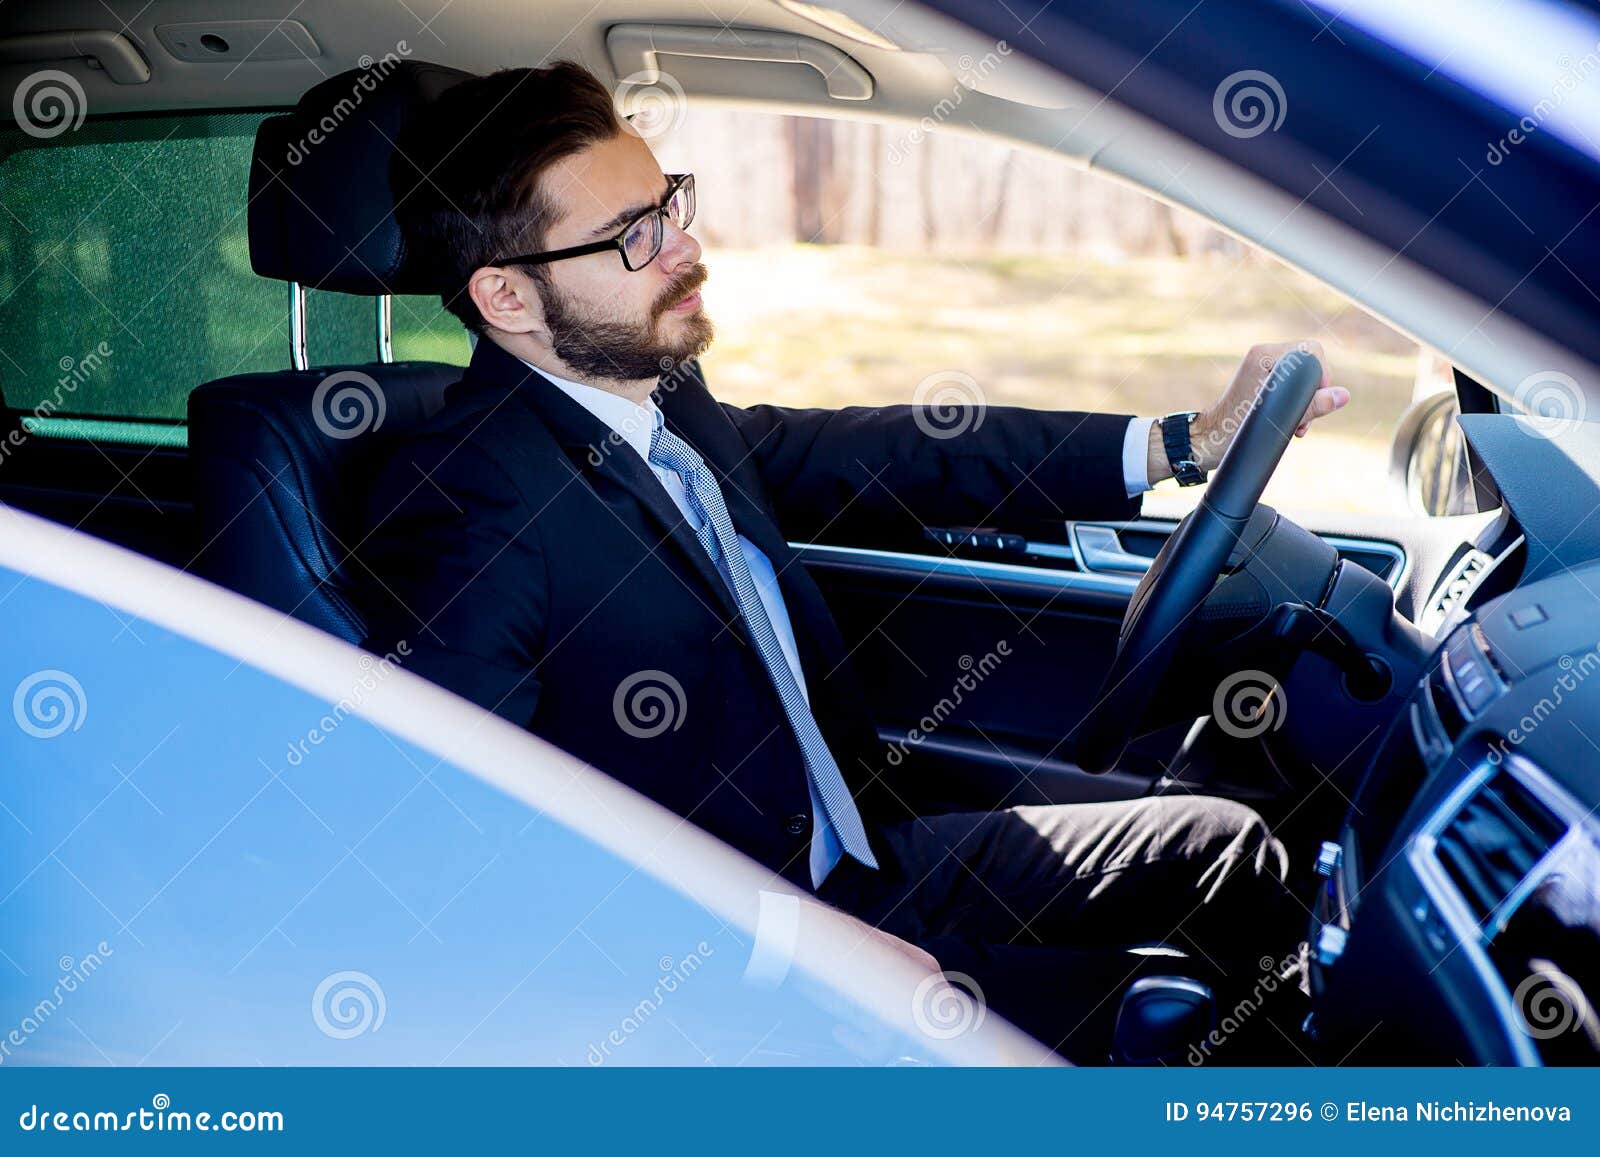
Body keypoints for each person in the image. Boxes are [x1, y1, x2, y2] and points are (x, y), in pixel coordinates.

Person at [356, 61, 1348, 1060]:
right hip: (717, 966)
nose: (686, 248)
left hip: (857, 859)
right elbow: (473, 844)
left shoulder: (658, 401)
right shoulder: (463, 497)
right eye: (634, 236)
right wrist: (797, 943)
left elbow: (893, 455)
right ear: (506, 296)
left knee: (1226, 851)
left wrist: (1183, 440)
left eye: (668, 206)